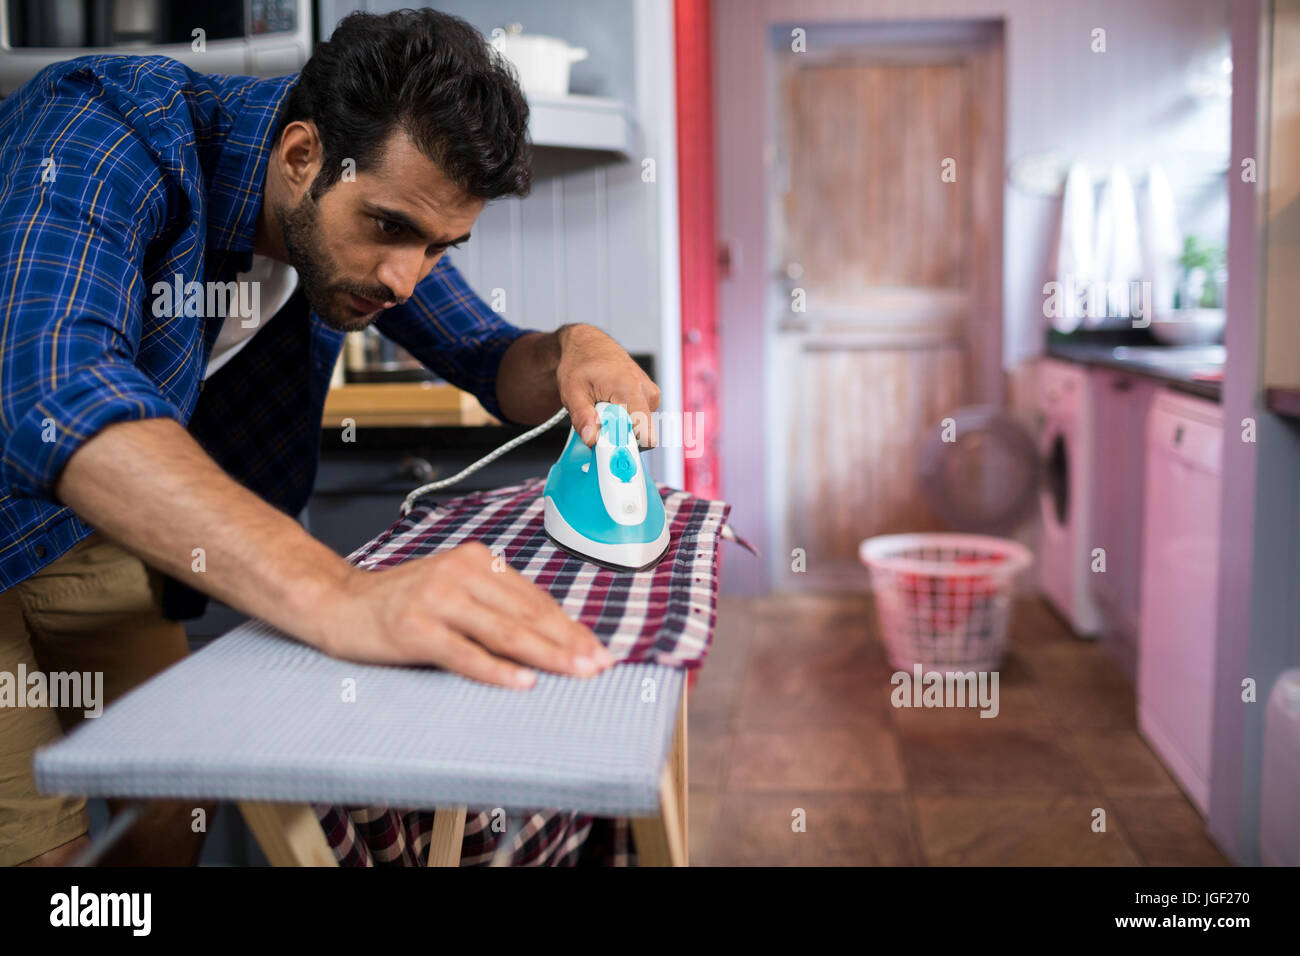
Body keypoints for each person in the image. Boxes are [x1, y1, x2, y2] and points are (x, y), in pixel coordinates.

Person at [0, 9, 659, 867]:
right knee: (45, 856)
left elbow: (488, 358)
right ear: (302, 155)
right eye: (390, 229)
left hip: (85, 531)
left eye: (439, 246)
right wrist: (338, 595)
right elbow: (50, 388)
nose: (404, 278)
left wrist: (574, 346)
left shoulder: (378, 209)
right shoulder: (103, 127)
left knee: (170, 802)